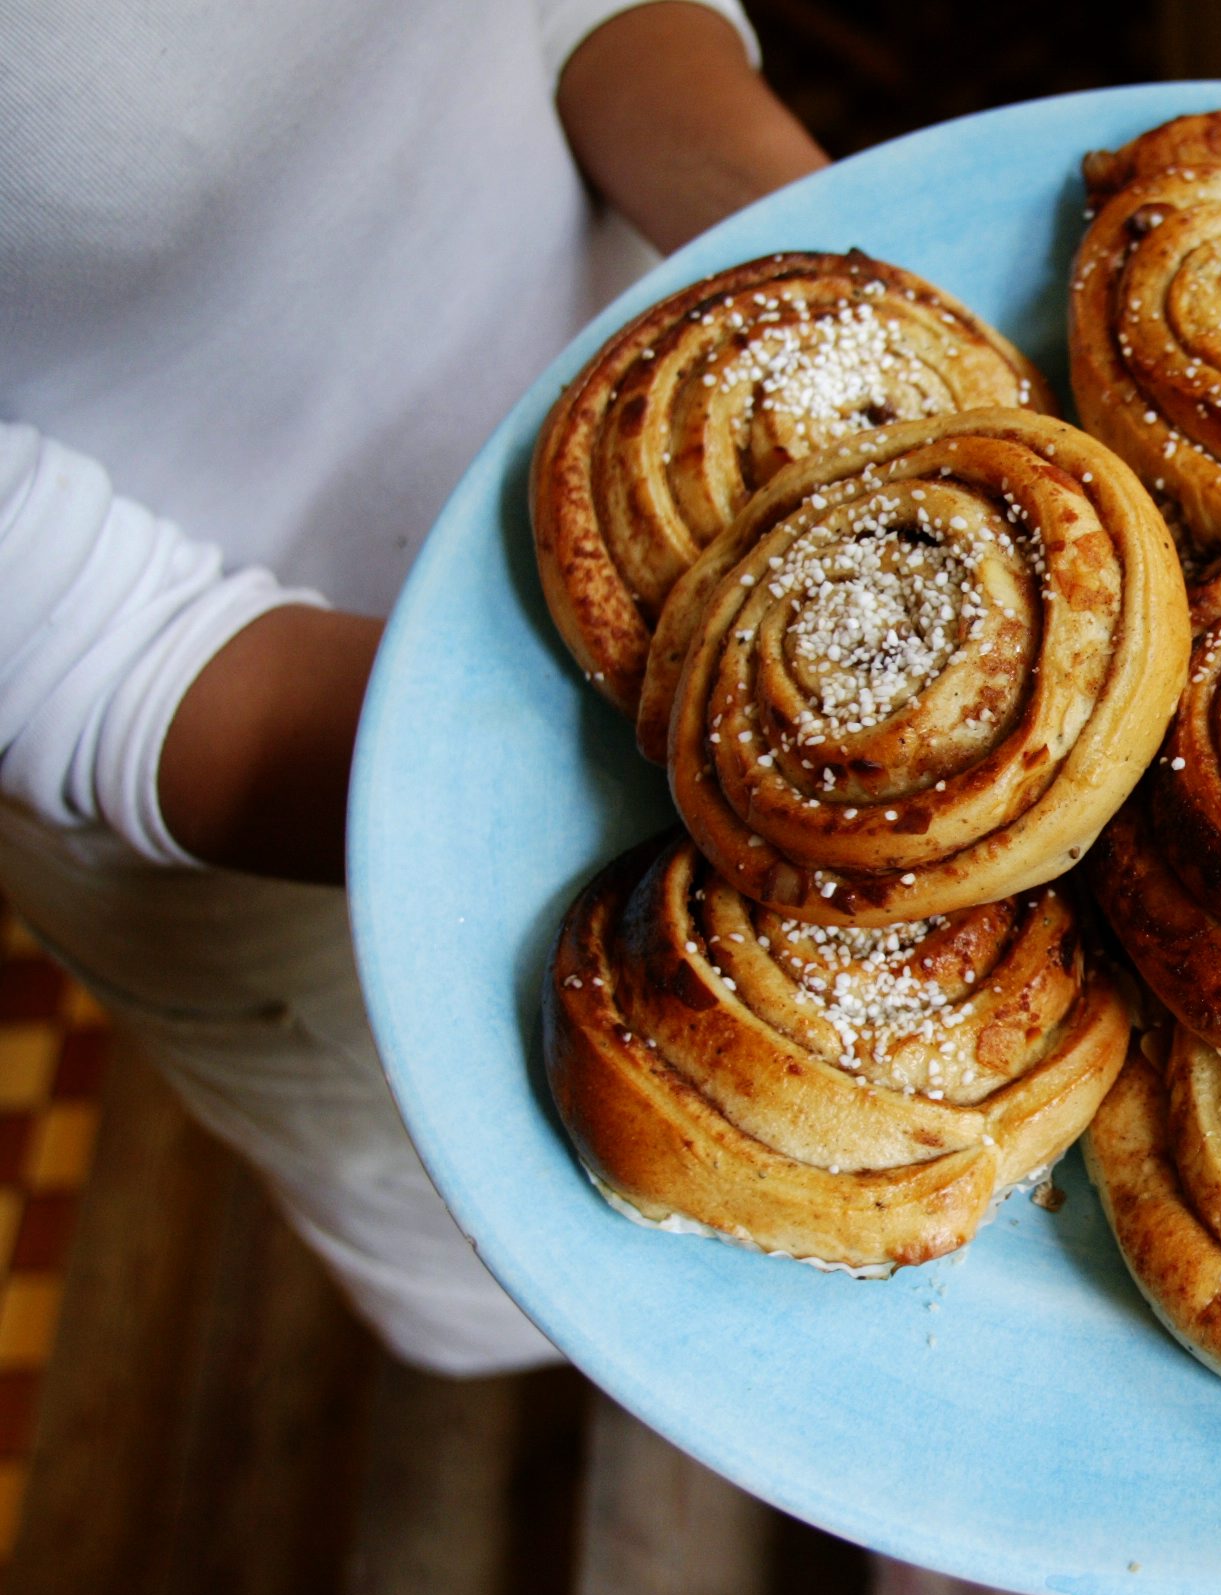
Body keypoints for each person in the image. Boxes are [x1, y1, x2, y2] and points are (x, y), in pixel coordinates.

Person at [0, 0, 828, 1373]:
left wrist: (828, 282)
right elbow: (85, 642)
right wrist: (717, 776)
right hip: (288, 781)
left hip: (682, 435)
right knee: (554, 1237)